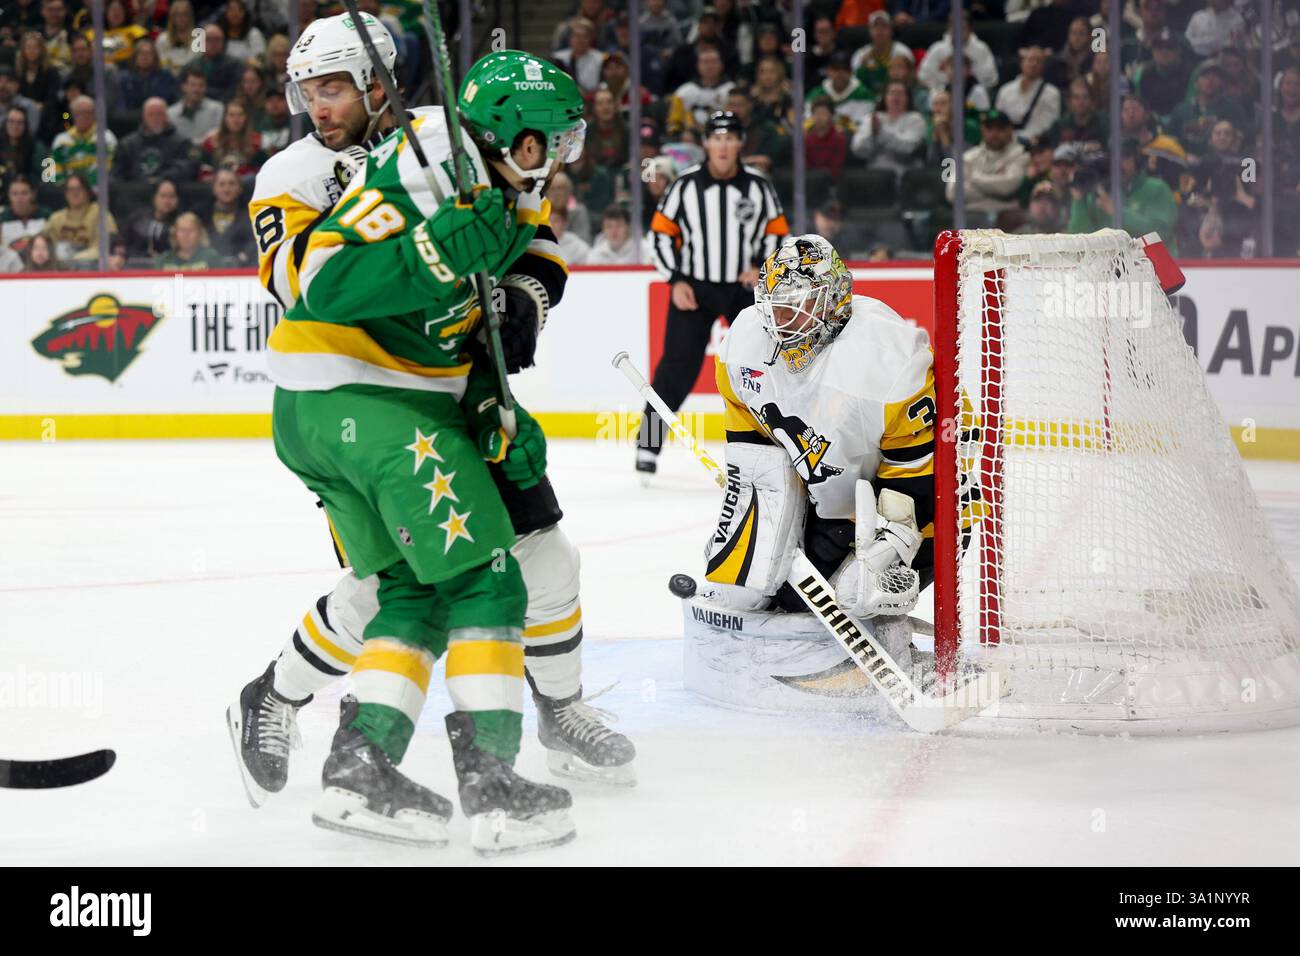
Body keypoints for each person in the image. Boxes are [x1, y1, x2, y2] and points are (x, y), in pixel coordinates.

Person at [231, 22, 632, 853]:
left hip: (454, 389)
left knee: (547, 562)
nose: (318, 105)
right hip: (373, 396)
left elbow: (535, 234)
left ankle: (558, 715)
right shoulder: (299, 173)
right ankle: (278, 697)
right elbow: (306, 286)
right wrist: (423, 242)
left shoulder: (464, 135)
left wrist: (522, 297)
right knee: (395, 592)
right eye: (308, 91)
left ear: (382, 82)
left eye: (334, 85)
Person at [700, 234, 935, 672]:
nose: (782, 321)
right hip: (832, 505)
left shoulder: (889, 361)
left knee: (856, 594)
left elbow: (919, 480)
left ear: (833, 301)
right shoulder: (745, 345)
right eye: (774, 306)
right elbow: (758, 457)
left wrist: (885, 550)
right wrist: (750, 517)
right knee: (771, 591)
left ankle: (891, 637)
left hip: (924, 510)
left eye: (797, 305)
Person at [639, 109, 788, 474]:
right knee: (676, 367)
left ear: (740, 144)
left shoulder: (758, 185)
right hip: (695, 289)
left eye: (730, 138)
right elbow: (659, 235)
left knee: (764, 366)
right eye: (716, 138)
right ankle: (648, 444)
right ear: (706, 143)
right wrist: (675, 280)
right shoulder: (685, 185)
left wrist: (762, 270)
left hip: (743, 290)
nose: (723, 145)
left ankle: (778, 442)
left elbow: (777, 233)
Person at [1068, 138, 1178, 248]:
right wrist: (1079, 201)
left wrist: (1117, 212)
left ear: (1136, 160)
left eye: (1124, 157)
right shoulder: (1098, 192)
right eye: (1113, 158)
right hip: (1111, 264)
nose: (1118, 163)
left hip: (1154, 263)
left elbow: (1161, 233)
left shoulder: (1156, 188)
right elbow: (1080, 242)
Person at [945, 110, 1030, 215]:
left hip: (1005, 216)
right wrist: (996, 191)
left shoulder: (1021, 154)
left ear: (1010, 130)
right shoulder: (967, 157)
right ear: (983, 130)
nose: (995, 134)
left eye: (1001, 129)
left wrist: (974, 178)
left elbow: (1007, 188)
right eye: (990, 128)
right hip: (971, 216)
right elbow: (952, 193)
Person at [113, 97, 198, 184]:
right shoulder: (127, 145)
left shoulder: (183, 143)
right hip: (135, 194)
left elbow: (187, 168)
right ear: (144, 117)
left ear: (166, 116)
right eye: (151, 114)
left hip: (170, 193)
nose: (155, 118)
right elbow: (117, 175)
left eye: (159, 114)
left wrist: (162, 180)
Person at [850, 80, 926, 175]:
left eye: (900, 94)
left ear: (908, 98)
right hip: (875, 174)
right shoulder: (871, 118)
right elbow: (859, 150)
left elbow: (908, 148)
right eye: (892, 93)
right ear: (885, 97)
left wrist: (880, 133)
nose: (896, 97)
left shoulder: (916, 119)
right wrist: (871, 134)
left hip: (905, 175)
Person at [995, 46, 1061, 145]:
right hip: (1006, 143)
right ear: (1022, 63)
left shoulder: (1052, 93)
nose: (1034, 64)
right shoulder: (1005, 91)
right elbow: (998, 120)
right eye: (1030, 60)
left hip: (1035, 144)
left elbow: (1049, 125)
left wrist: (1026, 139)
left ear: (1043, 67)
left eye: (1038, 61)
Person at [43, 172, 118, 260]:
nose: (74, 193)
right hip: (60, 269)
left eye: (79, 189)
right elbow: (42, 244)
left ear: (88, 192)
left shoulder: (100, 214)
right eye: (70, 189)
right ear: (65, 194)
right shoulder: (56, 218)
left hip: (92, 267)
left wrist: (75, 258)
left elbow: (105, 248)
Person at [51, 97, 118, 185]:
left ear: (94, 114)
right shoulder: (61, 141)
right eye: (79, 113)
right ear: (73, 115)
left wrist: (84, 187)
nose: (83, 116)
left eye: (87, 112)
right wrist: (65, 187)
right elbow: (54, 170)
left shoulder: (106, 138)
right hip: (68, 191)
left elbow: (107, 168)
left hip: (97, 191)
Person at [201, 167, 255, 265]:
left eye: (231, 184)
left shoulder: (251, 216)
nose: (226, 189)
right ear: (214, 189)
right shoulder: (201, 215)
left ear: (239, 189)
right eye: (222, 184)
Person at [199, 100, 265, 180]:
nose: (236, 120)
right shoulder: (211, 141)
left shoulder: (257, 141)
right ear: (225, 118)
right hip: (219, 183)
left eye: (240, 115)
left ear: (246, 118)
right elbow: (205, 170)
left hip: (247, 183)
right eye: (231, 115)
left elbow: (263, 170)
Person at [123, 177, 179, 259]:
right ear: (154, 198)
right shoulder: (138, 218)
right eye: (163, 196)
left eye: (171, 196)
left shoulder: (181, 223)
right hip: (135, 266)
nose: (167, 201)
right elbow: (124, 244)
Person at [169, 65, 224, 145]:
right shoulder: (170, 113)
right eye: (192, 85)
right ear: (184, 87)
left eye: (201, 85)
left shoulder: (217, 108)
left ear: (206, 88)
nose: (196, 89)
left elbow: (219, 136)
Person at [120, 38, 180, 110]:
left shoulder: (166, 77)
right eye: (141, 53)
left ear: (155, 57)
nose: (144, 57)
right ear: (135, 57)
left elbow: (173, 102)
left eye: (148, 53)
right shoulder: (125, 78)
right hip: (131, 118)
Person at [155, 210, 224, 270]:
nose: (186, 235)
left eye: (191, 230)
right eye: (182, 230)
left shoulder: (211, 257)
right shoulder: (164, 260)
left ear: (199, 234)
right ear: (175, 234)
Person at [0, 174, 51, 256]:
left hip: (40, 265)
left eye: (24, 193)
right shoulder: (2, 218)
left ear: (33, 194)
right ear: (9, 196)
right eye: (15, 194)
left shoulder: (46, 216)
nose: (19, 198)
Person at [155, 1, 200, 74]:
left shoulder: (198, 38)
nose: (181, 18)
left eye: (185, 14)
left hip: (192, 80)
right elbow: (162, 65)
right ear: (172, 17)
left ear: (190, 16)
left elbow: (198, 63)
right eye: (177, 15)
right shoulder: (162, 39)